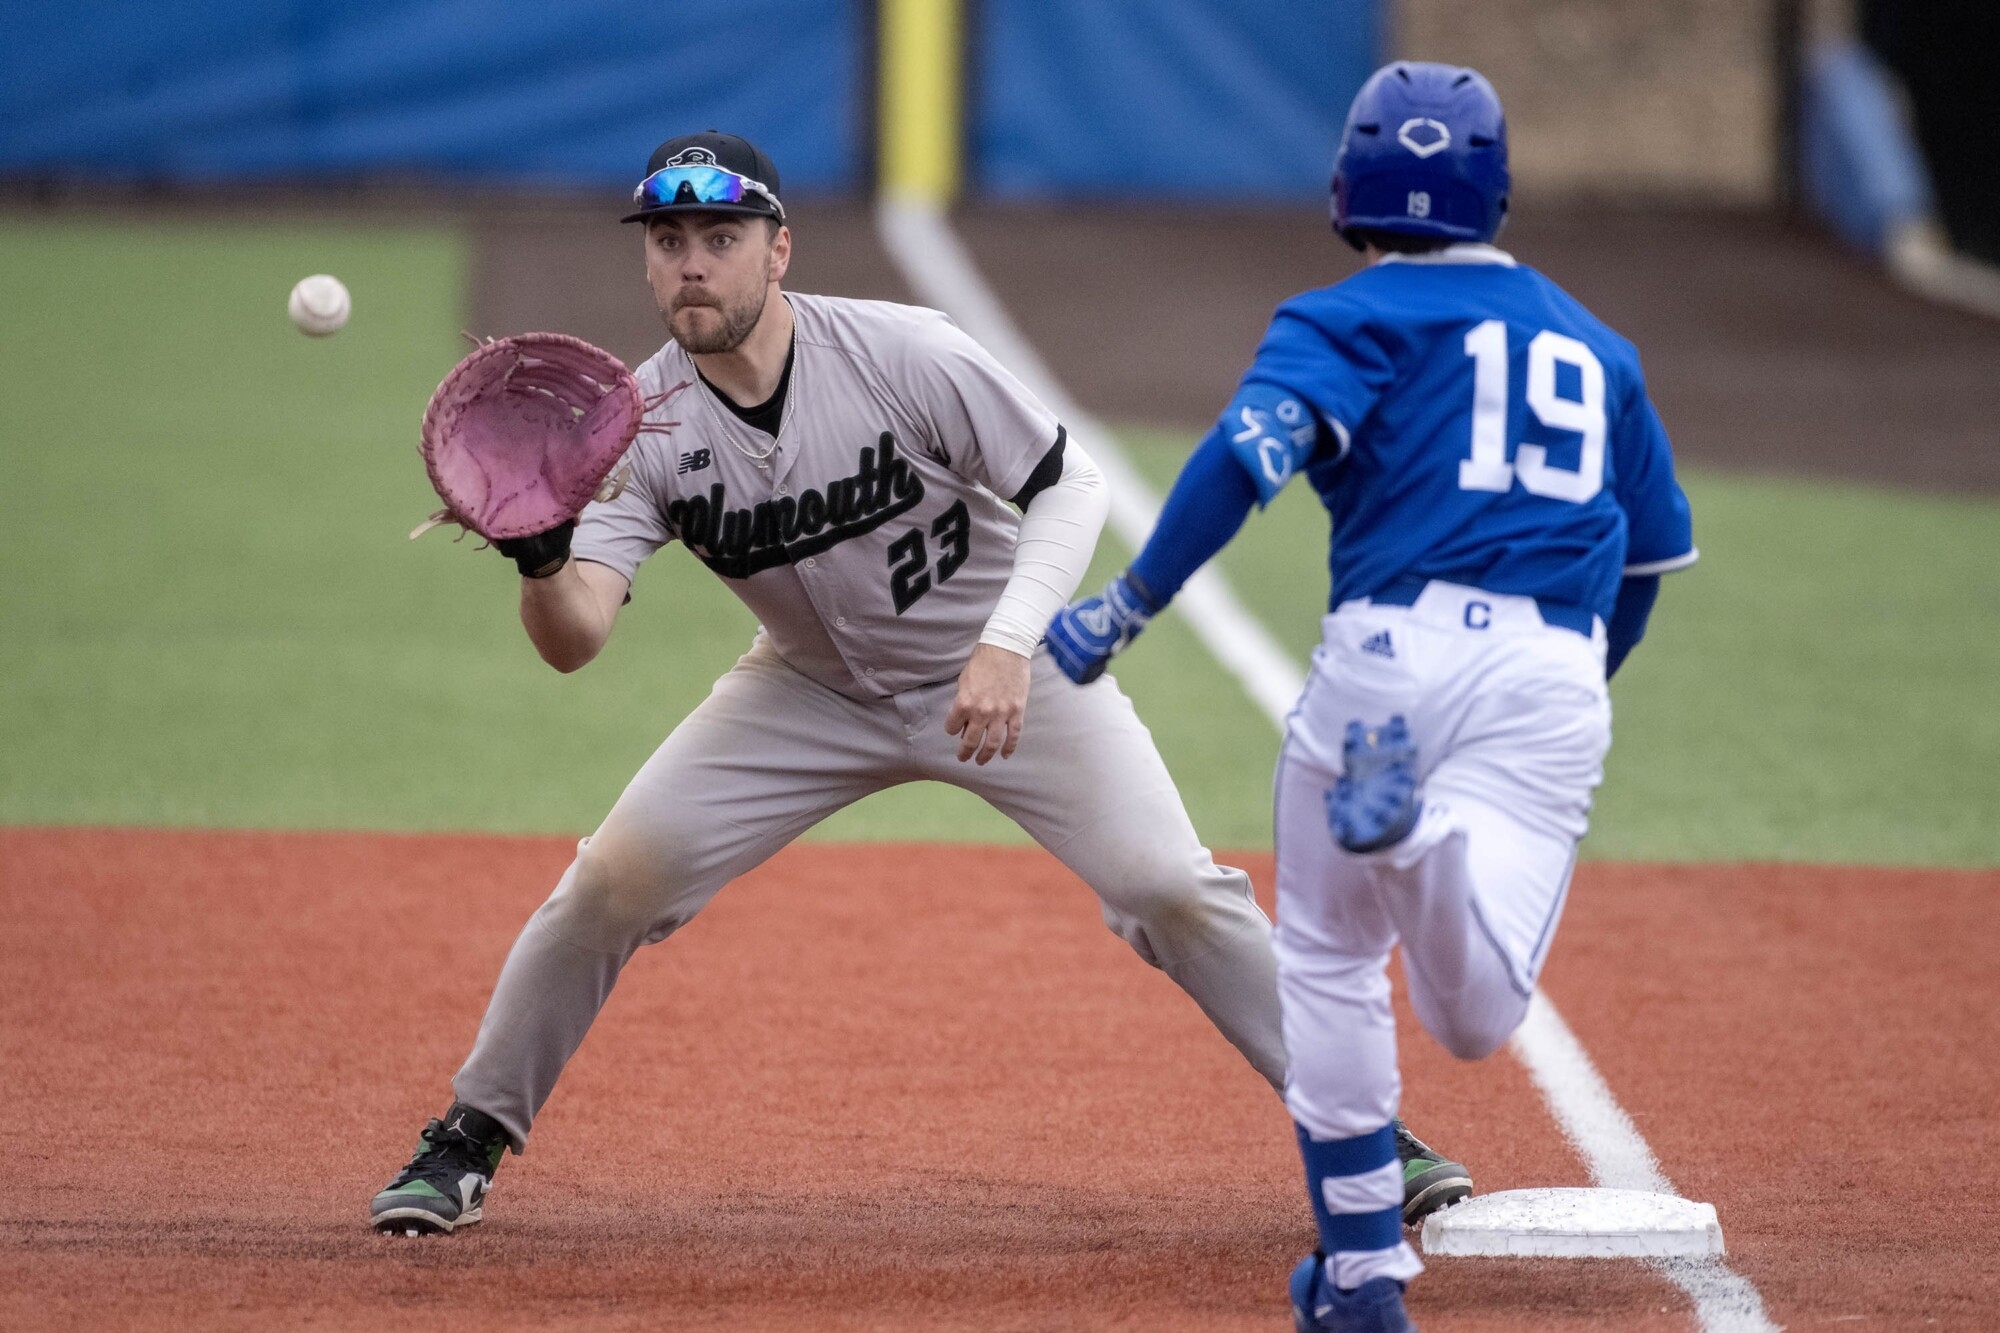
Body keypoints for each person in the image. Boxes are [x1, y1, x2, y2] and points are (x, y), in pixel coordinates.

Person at [369, 131, 1470, 1238]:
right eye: (668, 240)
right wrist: (541, 558)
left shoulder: (901, 351)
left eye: (720, 236)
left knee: (1170, 887)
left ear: (778, 250)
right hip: (806, 692)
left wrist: (1008, 639)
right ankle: (471, 1132)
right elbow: (575, 639)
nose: (691, 262)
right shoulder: (636, 430)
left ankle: (1361, 1126)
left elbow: (1070, 482)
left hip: (1005, 664)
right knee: (610, 880)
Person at [1046, 65, 1697, 1333]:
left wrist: (1124, 605)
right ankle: (1423, 842)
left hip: (1381, 666)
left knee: (1328, 965)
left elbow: (1243, 459)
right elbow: (1645, 567)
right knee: (1476, 1016)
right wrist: (1568, 690)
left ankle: (1361, 1276)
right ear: (1493, 189)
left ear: (1350, 184)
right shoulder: (1598, 347)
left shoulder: (1338, 320)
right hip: (1549, 667)